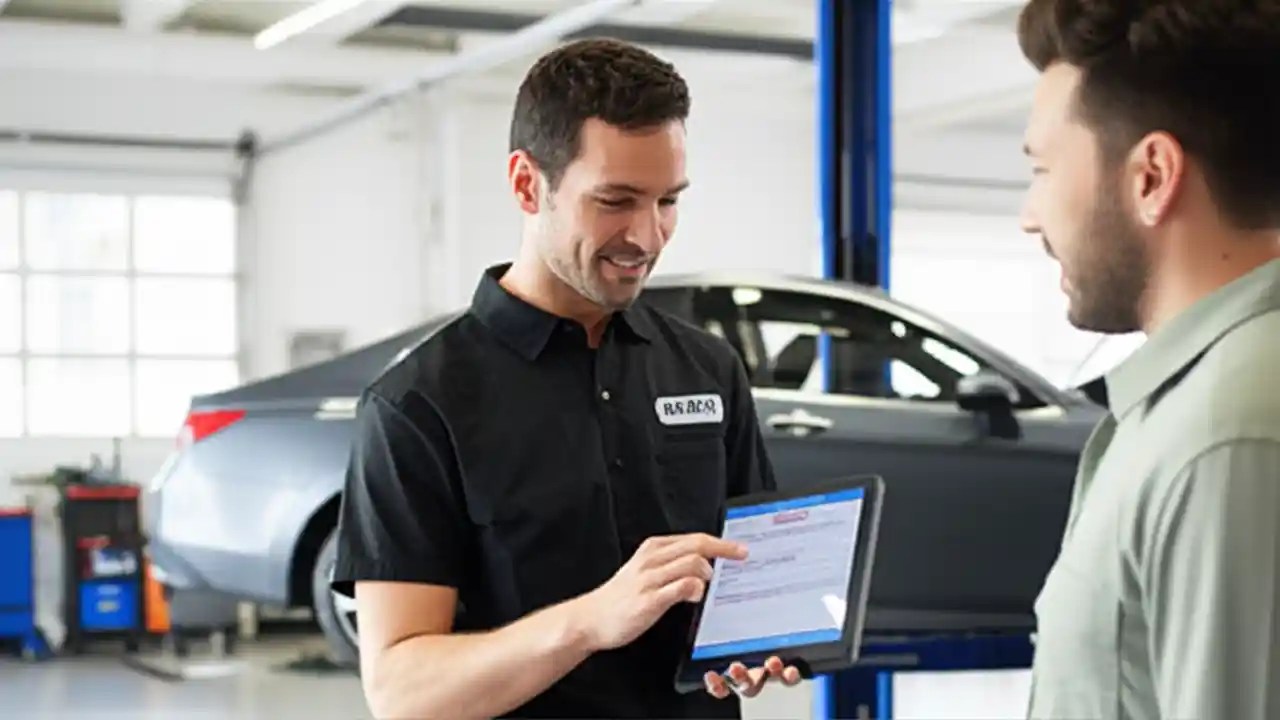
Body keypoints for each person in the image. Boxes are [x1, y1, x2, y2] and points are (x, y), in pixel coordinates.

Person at [329, 37, 800, 719]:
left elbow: (748, 587)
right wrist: (588, 621)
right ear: (527, 184)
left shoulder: (707, 368)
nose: (647, 236)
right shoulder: (417, 407)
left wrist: (760, 638)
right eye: (615, 201)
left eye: (668, 201)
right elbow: (403, 692)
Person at [1015, 1, 1280, 718]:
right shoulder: (1192, 404)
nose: (1029, 215)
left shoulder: (1230, 433)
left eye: (1041, 169)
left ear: (1152, 176)